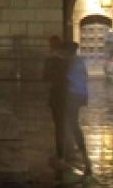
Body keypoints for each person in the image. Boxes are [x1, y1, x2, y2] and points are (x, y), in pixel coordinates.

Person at [62, 41, 93, 176]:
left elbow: (68, 79)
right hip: (78, 96)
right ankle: (79, 153)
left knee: (71, 124)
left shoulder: (70, 63)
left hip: (71, 96)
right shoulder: (79, 61)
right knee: (72, 124)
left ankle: (74, 152)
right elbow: (85, 78)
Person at [43, 35, 67, 167]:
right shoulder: (66, 60)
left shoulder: (50, 60)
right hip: (65, 95)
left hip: (55, 96)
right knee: (62, 125)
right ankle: (62, 153)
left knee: (58, 126)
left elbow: (45, 76)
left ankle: (60, 154)